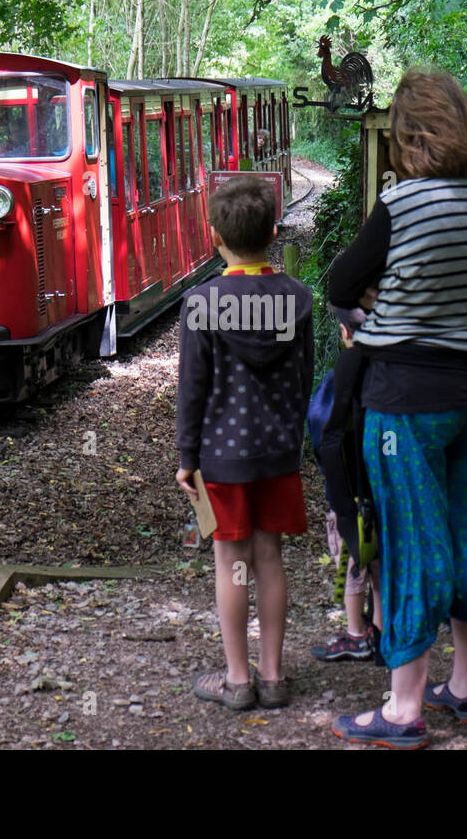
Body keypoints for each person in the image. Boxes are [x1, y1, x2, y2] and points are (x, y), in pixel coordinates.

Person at [325, 69, 467, 749]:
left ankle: (402, 710)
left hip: (405, 395)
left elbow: (341, 280)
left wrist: (377, 302)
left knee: (410, 540)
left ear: (408, 136)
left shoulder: (402, 202)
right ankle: (464, 687)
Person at [175, 175, 314, 710]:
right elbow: (304, 379)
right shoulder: (296, 298)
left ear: (214, 235)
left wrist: (188, 458)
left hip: (222, 456)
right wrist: (292, 437)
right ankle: (274, 676)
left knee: (231, 560)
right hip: (277, 451)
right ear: (273, 231)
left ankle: (237, 679)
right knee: (270, 557)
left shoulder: (202, 303)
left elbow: (193, 389)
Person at [306, 305, 384, 664]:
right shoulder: (387, 377)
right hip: (384, 496)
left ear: (344, 332)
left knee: (352, 565)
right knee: (382, 563)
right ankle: (383, 631)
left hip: (347, 499)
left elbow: (322, 431)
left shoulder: (337, 382)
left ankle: (356, 633)